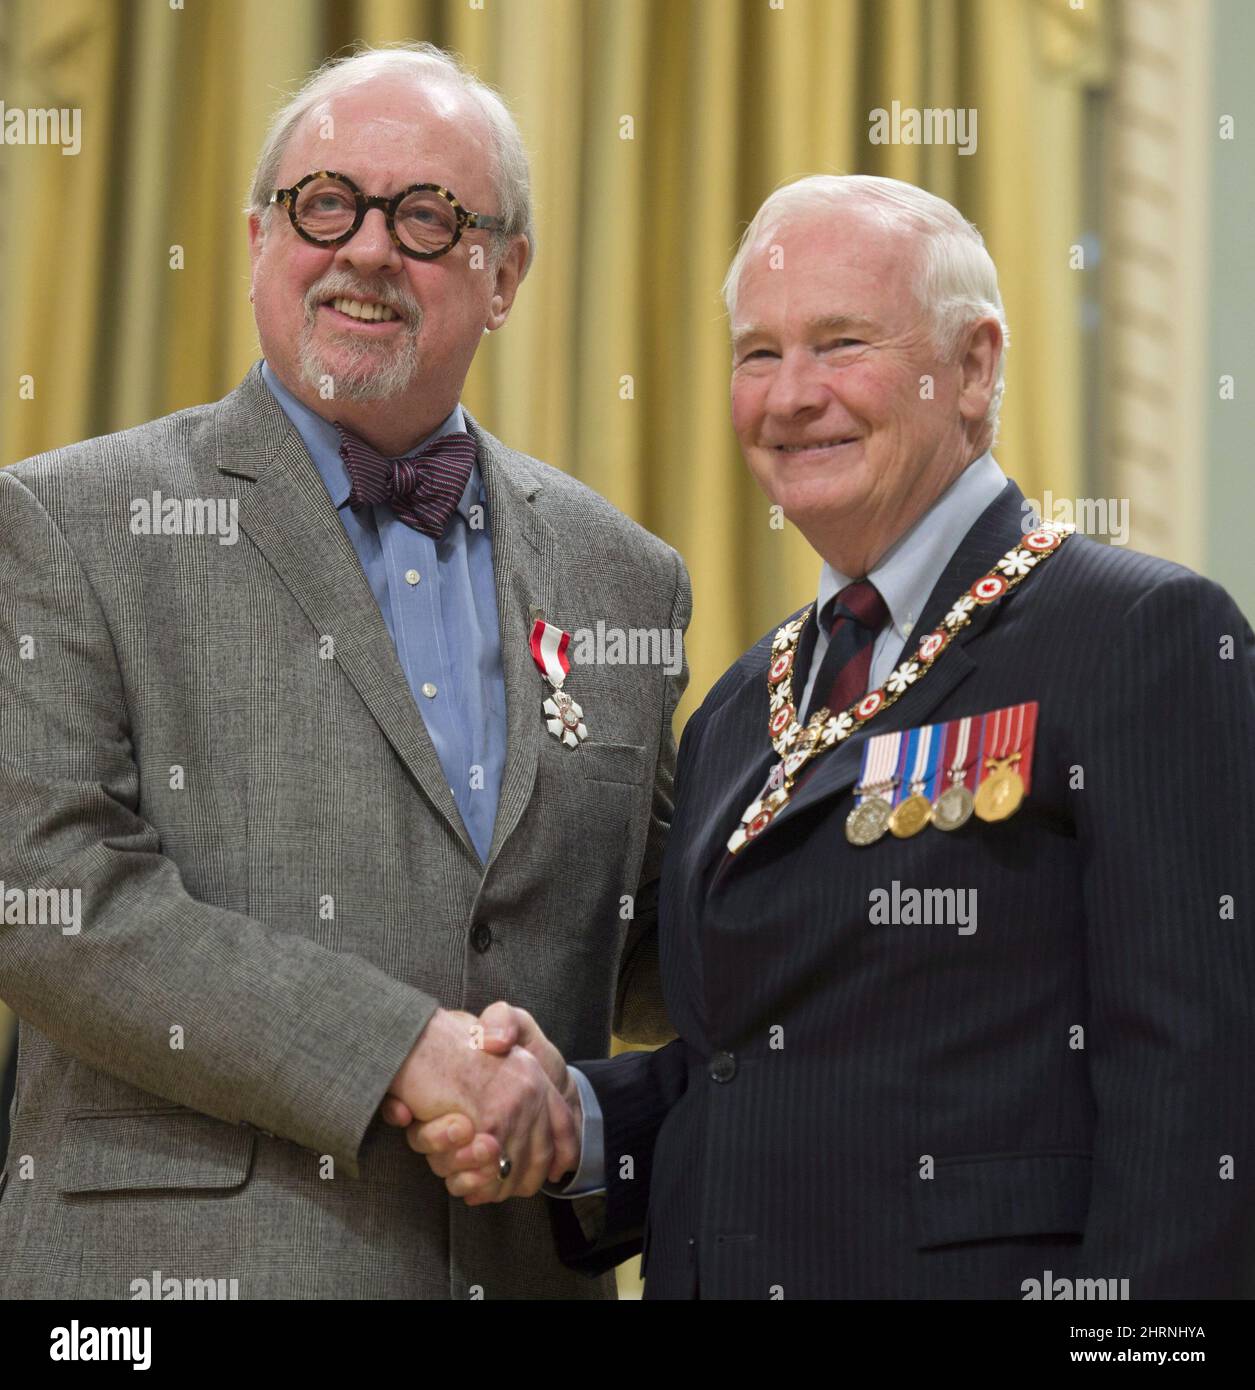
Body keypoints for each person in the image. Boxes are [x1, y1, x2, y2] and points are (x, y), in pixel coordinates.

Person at [407, 175, 1255, 1299]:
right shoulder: (741, 700)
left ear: (973, 366)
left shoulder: (1139, 635)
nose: (791, 395)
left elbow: (1201, 1093)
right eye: (758, 355)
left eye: (840, 343)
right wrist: (576, 1117)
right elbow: (754, 1067)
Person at [0, 43, 688, 1300]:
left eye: (427, 217)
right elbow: (48, 899)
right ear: (261, 236)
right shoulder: (65, 522)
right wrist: (399, 1052)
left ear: (504, 275)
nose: (368, 248)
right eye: (327, 203)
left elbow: (655, 935)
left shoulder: (625, 578)